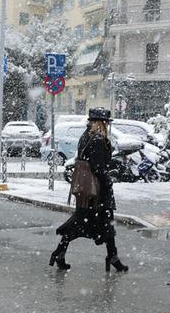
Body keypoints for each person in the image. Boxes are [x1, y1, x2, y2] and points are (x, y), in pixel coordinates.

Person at [49, 107, 128, 272]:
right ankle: (111, 257)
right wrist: (108, 183)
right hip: (97, 192)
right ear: (100, 123)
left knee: (88, 223)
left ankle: (61, 252)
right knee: (100, 223)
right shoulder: (98, 139)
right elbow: (98, 168)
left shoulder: (85, 137)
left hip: (86, 190)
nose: (107, 125)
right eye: (105, 122)